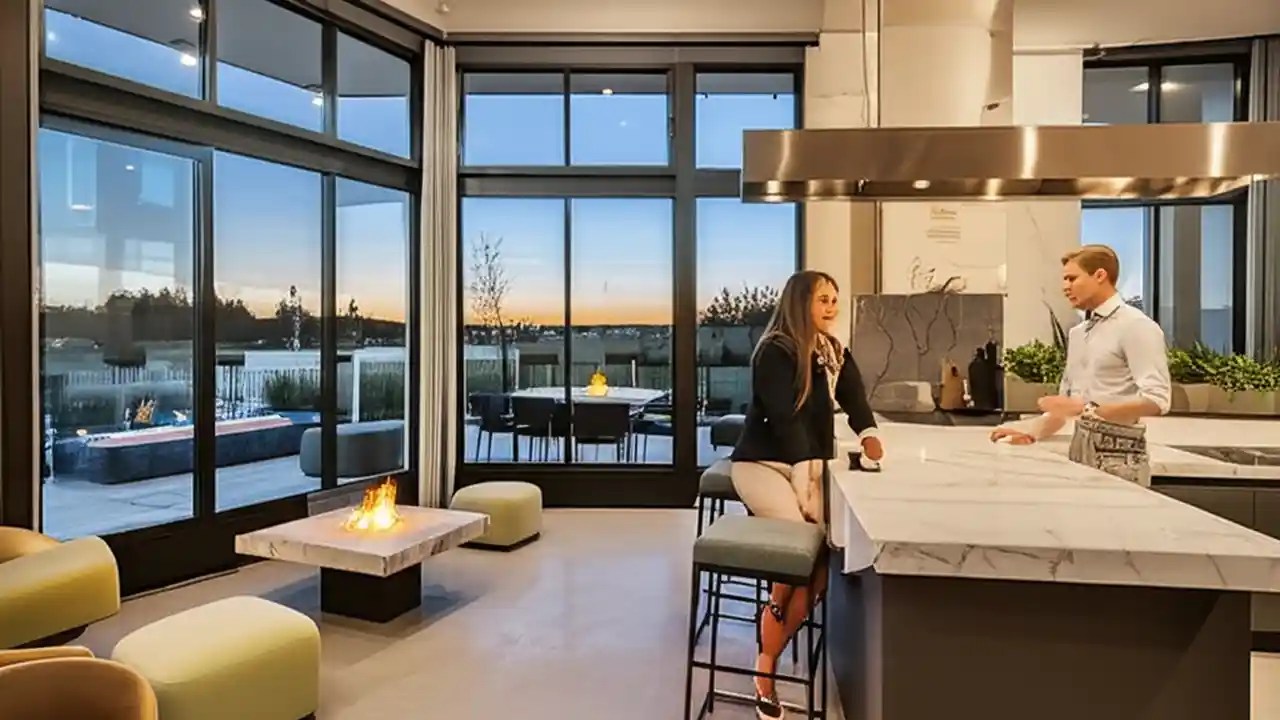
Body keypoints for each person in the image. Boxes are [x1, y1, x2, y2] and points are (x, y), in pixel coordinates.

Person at [729, 269, 883, 719]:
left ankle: (771, 636)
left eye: (835, 299)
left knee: (817, 567)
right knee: (801, 548)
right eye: (823, 299)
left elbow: (855, 400)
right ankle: (766, 666)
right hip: (761, 465)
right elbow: (784, 418)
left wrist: (869, 432)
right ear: (801, 303)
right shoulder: (775, 350)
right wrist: (805, 476)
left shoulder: (833, 351)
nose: (832, 307)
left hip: (808, 466)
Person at [990, 244, 1171, 485]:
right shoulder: (1078, 334)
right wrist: (1030, 431)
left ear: (1099, 276)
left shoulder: (1137, 327)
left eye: (1072, 278)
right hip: (1080, 451)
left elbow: (1157, 401)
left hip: (1121, 457)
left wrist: (1086, 409)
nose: (1065, 287)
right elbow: (1067, 409)